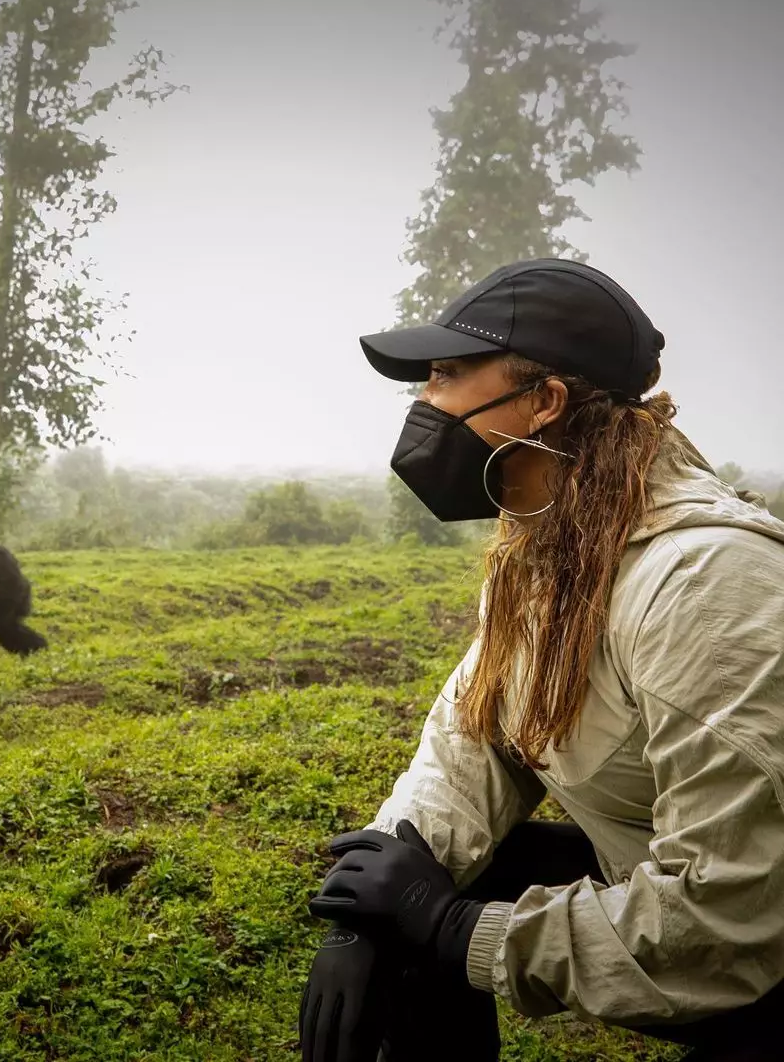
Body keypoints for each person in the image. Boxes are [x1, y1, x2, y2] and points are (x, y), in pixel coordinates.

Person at [297, 259, 784, 1062]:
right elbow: (469, 741)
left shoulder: (707, 582)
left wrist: (457, 929)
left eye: (448, 375)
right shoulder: (548, 553)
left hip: (757, 960)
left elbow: (730, 922)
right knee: (409, 884)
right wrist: (373, 906)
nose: (424, 402)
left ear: (544, 402)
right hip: (667, 892)